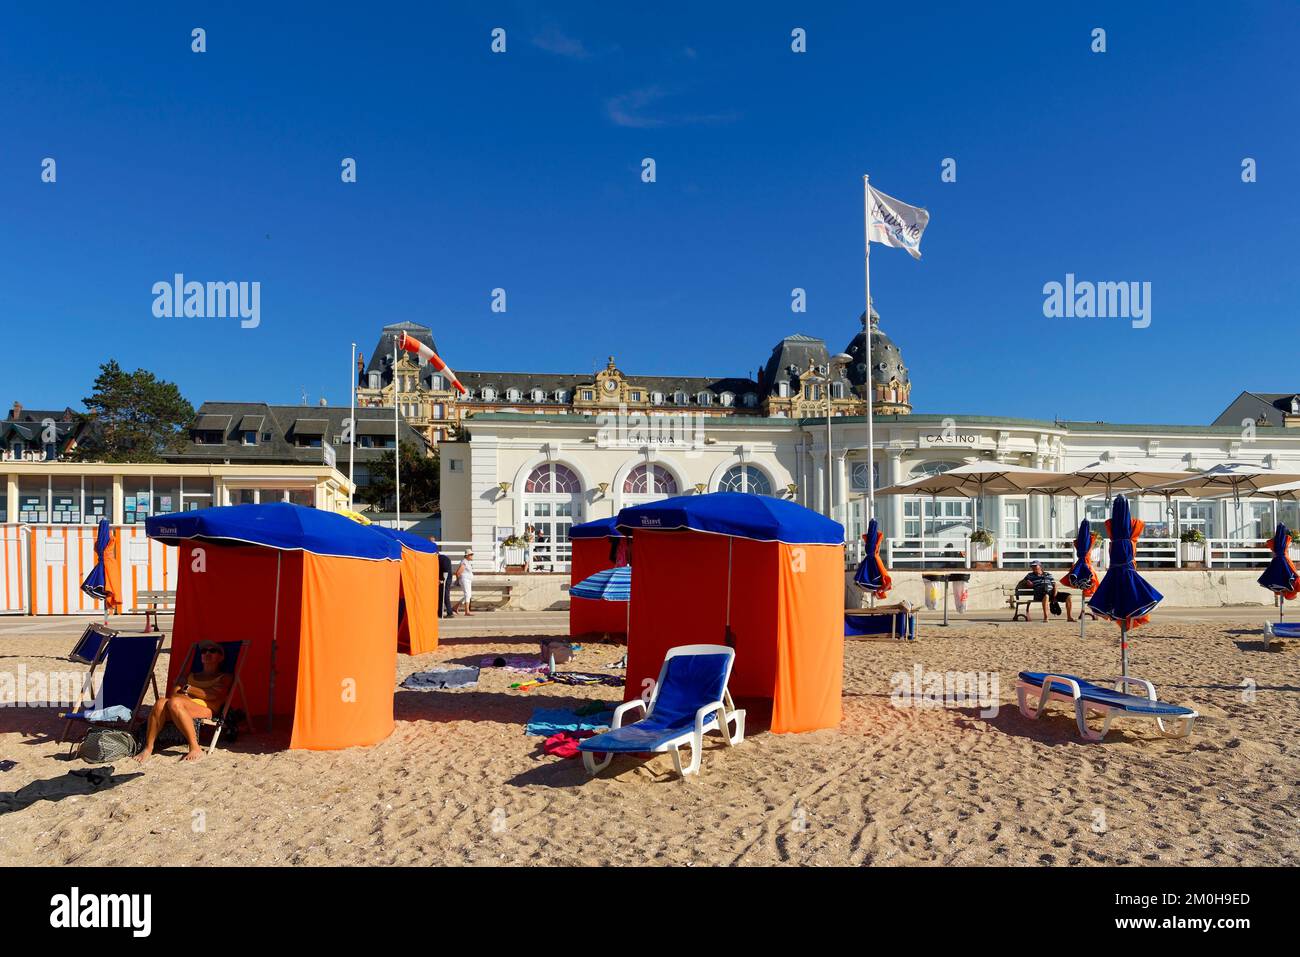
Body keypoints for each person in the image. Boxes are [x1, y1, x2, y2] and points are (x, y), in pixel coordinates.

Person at [134, 640, 232, 762]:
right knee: (160, 702)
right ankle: (148, 748)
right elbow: (173, 693)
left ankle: (195, 747)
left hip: (207, 710)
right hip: (179, 707)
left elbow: (212, 695)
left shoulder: (224, 677)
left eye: (213, 651)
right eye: (204, 651)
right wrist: (192, 694)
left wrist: (188, 688)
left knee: (175, 702)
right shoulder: (190, 676)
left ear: (221, 657)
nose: (207, 653)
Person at [455, 550, 475, 616]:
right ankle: (467, 611)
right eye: (471, 554)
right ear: (467, 555)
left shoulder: (467, 562)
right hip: (465, 580)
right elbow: (458, 572)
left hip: (467, 580)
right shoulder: (464, 562)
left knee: (469, 595)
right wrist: (457, 581)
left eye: (472, 554)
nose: (472, 555)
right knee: (467, 595)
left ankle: (455, 607)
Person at [437, 546, 455, 617]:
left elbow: (445, 570)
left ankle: (449, 612)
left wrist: (442, 580)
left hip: (445, 579)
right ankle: (440, 613)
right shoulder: (444, 558)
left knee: (444, 595)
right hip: (446, 578)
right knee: (442, 596)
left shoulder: (441, 559)